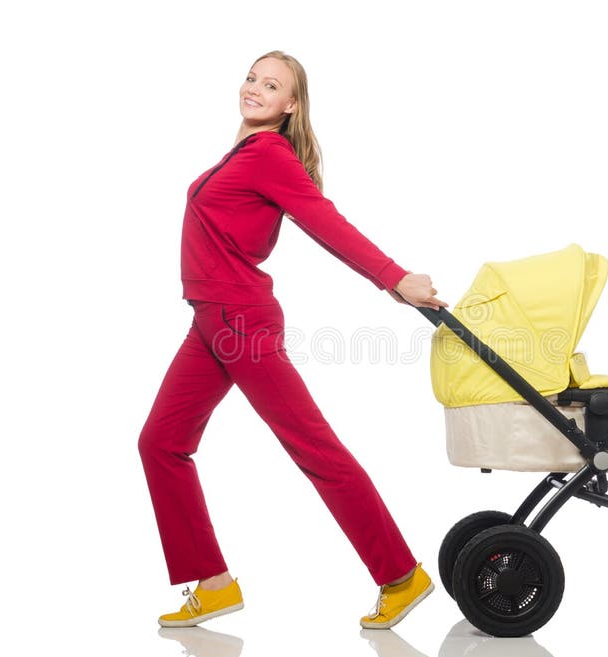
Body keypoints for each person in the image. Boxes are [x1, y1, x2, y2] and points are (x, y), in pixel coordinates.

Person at [138, 50, 447, 630]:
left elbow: (325, 221)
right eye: (252, 78)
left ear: (291, 105)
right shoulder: (243, 155)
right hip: (211, 321)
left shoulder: (269, 155)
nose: (255, 88)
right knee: (160, 442)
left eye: (271, 84)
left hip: (238, 323)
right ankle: (213, 582)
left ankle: (401, 575)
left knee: (314, 448)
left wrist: (394, 279)